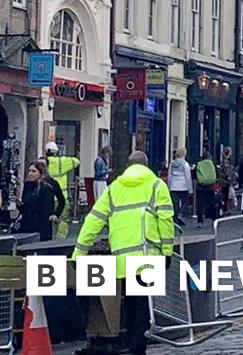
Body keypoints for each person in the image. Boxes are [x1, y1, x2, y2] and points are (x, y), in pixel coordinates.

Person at [73, 151, 174, 355]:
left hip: (122, 258)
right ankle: (137, 346)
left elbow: (93, 220)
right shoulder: (156, 185)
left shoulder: (114, 189)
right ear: (146, 166)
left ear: (128, 166)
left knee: (129, 302)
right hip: (147, 256)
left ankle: (131, 341)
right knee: (144, 304)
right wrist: (167, 251)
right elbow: (165, 220)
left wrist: (79, 251)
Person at [17, 161, 64, 241]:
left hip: (43, 225)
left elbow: (61, 201)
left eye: (34, 171)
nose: (30, 174)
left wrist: (55, 214)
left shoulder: (49, 186)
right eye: (29, 171)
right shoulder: (27, 185)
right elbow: (25, 206)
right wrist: (19, 204)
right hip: (27, 224)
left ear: (41, 173)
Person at [44, 141, 79, 238]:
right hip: (62, 197)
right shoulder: (62, 162)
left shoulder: (43, 162)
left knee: (47, 220)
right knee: (62, 221)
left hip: (47, 197)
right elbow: (76, 161)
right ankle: (60, 241)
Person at [166, 148, 193, 226]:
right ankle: (180, 215)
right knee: (184, 202)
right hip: (183, 186)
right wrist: (190, 189)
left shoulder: (172, 163)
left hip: (174, 186)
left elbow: (169, 176)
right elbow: (188, 177)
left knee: (175, 203)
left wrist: (169, 186)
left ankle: (175, 217)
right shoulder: (185, 164)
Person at [195, 150, 217, 225]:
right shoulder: (212, 164)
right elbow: (216, 174)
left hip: (200, 187)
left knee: (200, 204)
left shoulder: (199, 164)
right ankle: (214, 219)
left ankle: (200, 221)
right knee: (212, 203)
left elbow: (195, 175)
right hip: (211, 187)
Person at [218, 146, 236, 217]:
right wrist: (230, 180)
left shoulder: (224, 161)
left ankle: (224, 209)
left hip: (223, 182)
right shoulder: (226, 162)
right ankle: (224, 210)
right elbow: (227, 172)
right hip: (225, 182)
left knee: (224, 196)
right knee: (225, 196)